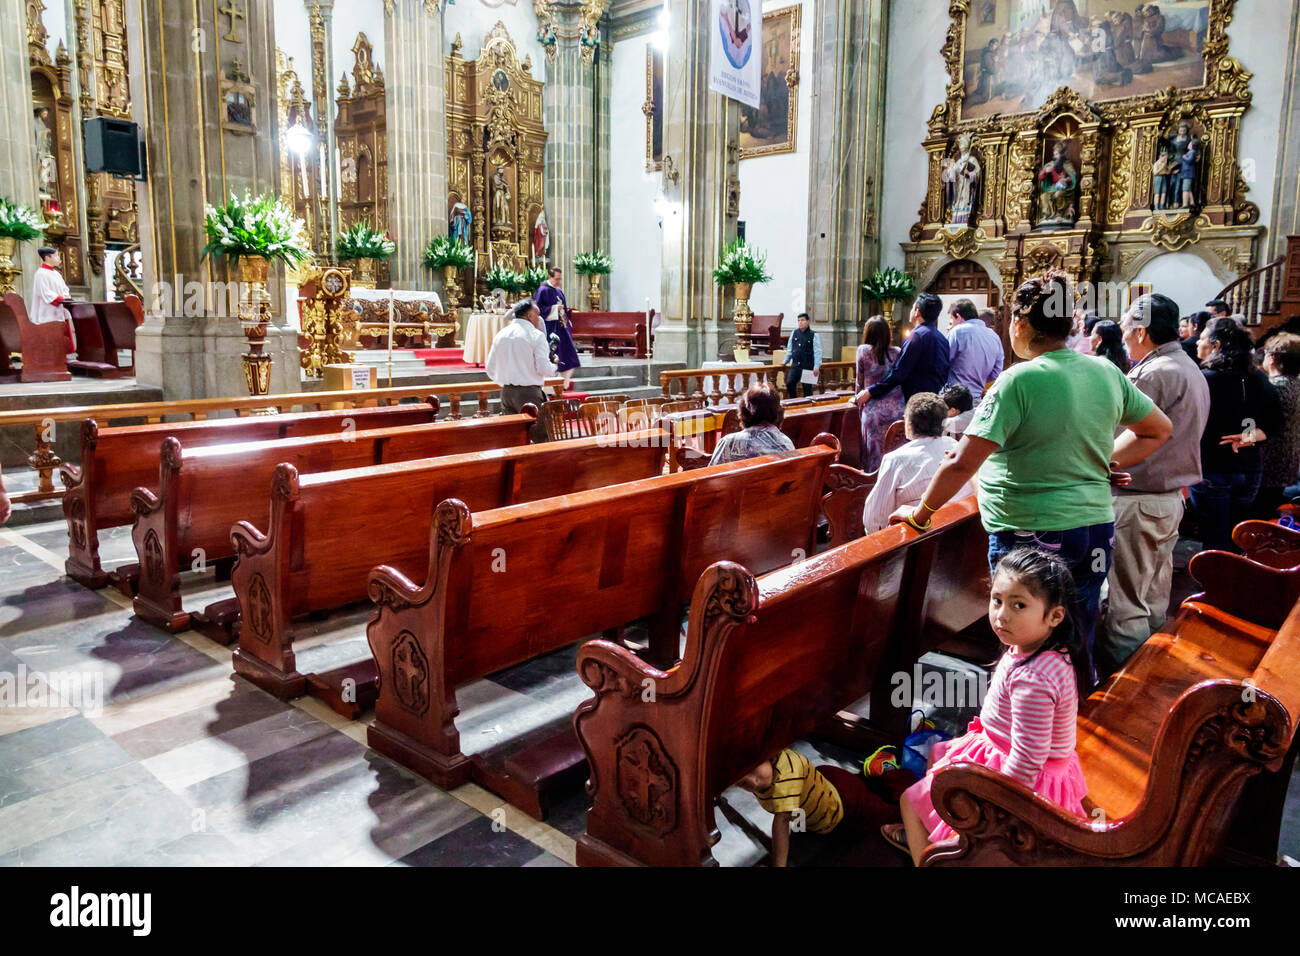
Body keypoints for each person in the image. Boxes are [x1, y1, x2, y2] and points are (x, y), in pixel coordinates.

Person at [888, 273, 1172, 683]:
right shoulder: (1105, 372)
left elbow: (960, 464)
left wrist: (920, 514)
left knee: (1025, 646)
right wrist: (1099, 460)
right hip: (1092, 527)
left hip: (1031, 531)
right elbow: (1158, 429)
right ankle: (1070, 728)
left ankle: (1022, 733)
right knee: (1075, 636)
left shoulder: (1019, 380)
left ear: (1019, 323)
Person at [884, 547, 1089, 864]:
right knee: (939, 759)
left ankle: (935, 853)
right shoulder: (1039, 648)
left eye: (1018, 605)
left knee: (910, 801)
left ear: (1054, 616)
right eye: (997, 600)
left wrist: (990, 811)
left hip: (1018, 780)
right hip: (1004, 753)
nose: (1001, 614)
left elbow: (1027, 760)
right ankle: (933, 835)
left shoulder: (1034, 679)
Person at [1098, 294, 1210, 679]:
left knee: (1124, 607)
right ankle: (1149, 683)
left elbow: (1121, 435)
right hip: (1167, 500)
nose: (1124, 337)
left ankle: (1121, 701)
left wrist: (1098, 463)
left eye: (1127, 328)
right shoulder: (1188, 366)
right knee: (1152, 599)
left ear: (1142, 331)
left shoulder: (1152, 373)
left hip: (1138, 501)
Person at [1191, 317, 1283, 551]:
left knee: (1214, 539)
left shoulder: (1205, 379)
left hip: (1213, 468)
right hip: (1249, 469)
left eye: (1202, 338)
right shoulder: (1260, 378)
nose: (1197, 343)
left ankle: (1215, 585)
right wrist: (1247, 437)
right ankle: (1235, 583)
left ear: (1216, 345)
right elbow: (1277, 423)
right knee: (1238, 538)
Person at [736, 747, 903, 867]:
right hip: (816, 792)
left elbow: (781, 823)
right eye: (742, 783)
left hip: (843, 801)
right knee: (802, 841)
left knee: (893, 816)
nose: (753, 782)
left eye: (753, 769)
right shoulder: (767, 773)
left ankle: (885, 768)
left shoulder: (786, 777)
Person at [862, 393, 974, 535]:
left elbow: (873, 520)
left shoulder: (895, 459)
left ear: (908, 426)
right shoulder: (954, 445)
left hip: (918, 543)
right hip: (960, 534)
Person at [484, 299, 557, 443]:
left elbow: (490, 367)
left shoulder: (501, 334)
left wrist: (506, 382)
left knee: (512, 439)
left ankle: (515, 466)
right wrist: (554, 367)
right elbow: (543, 368)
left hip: (506, 393)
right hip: (529, 393)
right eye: (537, 314)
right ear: (529, 315)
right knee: (541, 438)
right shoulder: (535, 335)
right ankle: (541, 466)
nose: (539, 318)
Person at [860, 293, 950, 408]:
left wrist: (871, 391)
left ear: (917, 312)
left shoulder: (917, 336)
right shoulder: (942, 338)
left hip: (918, 404)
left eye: (912, 308)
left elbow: (900, 373)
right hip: (936, 400)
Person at [852, 316, 905, 472]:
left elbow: (859, 382)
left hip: (874, 413)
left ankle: (873, 491)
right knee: (896, 457)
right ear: (887, 333)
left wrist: (856, 399)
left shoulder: (863, 351)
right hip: (897, 411)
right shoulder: (898, 352)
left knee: (874, 460)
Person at [1257, 334, 1300, 517]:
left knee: (1259, 512)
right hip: (1288, 458)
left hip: (1270, 460)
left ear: (1273, 358)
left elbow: (1261, 423)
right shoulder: (1296, 384)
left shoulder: (1275, 386)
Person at [709, 383, 794, 465]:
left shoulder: (729, 442)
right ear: (777, 412)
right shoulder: (786, 443)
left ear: (744, 411)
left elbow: (711, 475)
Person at [944, 298, 1003, 402]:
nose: (951, 325)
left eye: (951, 320)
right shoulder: (994, 337)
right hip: (976, 398)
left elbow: (943, 363)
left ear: (958, 316)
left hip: (953, 398)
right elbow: (996, 372)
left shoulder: (957, 332)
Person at [533, 267, 580, 389]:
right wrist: (554, 309)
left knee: (569, 354)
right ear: (549, 277)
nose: (558, 282)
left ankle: (564, 382)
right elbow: (538, 310)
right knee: (554, 355)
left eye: (560, 279)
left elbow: (564, 308)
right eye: (556, 279)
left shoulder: (559, 290)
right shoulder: (543, 290)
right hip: (550, 328)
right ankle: (551, 386)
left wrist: (567, 319)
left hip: (562, 327)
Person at [29, 245, 75, 355]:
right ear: (47, 257)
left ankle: (61, 359)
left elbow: (64, 288)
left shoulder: (56, 273)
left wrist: (66, 296)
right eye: (56, 256)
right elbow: (45, 292)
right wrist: (60, 298)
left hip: (59, 310)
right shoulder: (40, 274)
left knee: (61, 340)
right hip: (47, 312)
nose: (59, 258)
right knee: (50, 340)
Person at [782, 312, 822, 398]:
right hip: (795, 365)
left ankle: (807, 408)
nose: (800, 322)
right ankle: (795, 402)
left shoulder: (814, 334)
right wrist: (785, 362)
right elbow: (790, 349)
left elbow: (818, 352)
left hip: (808, 366)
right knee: (789, 383)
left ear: (808, 321)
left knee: (807, 390)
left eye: (802, 320)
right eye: (798, 320)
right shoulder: (794, 333)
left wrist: (816, 366)